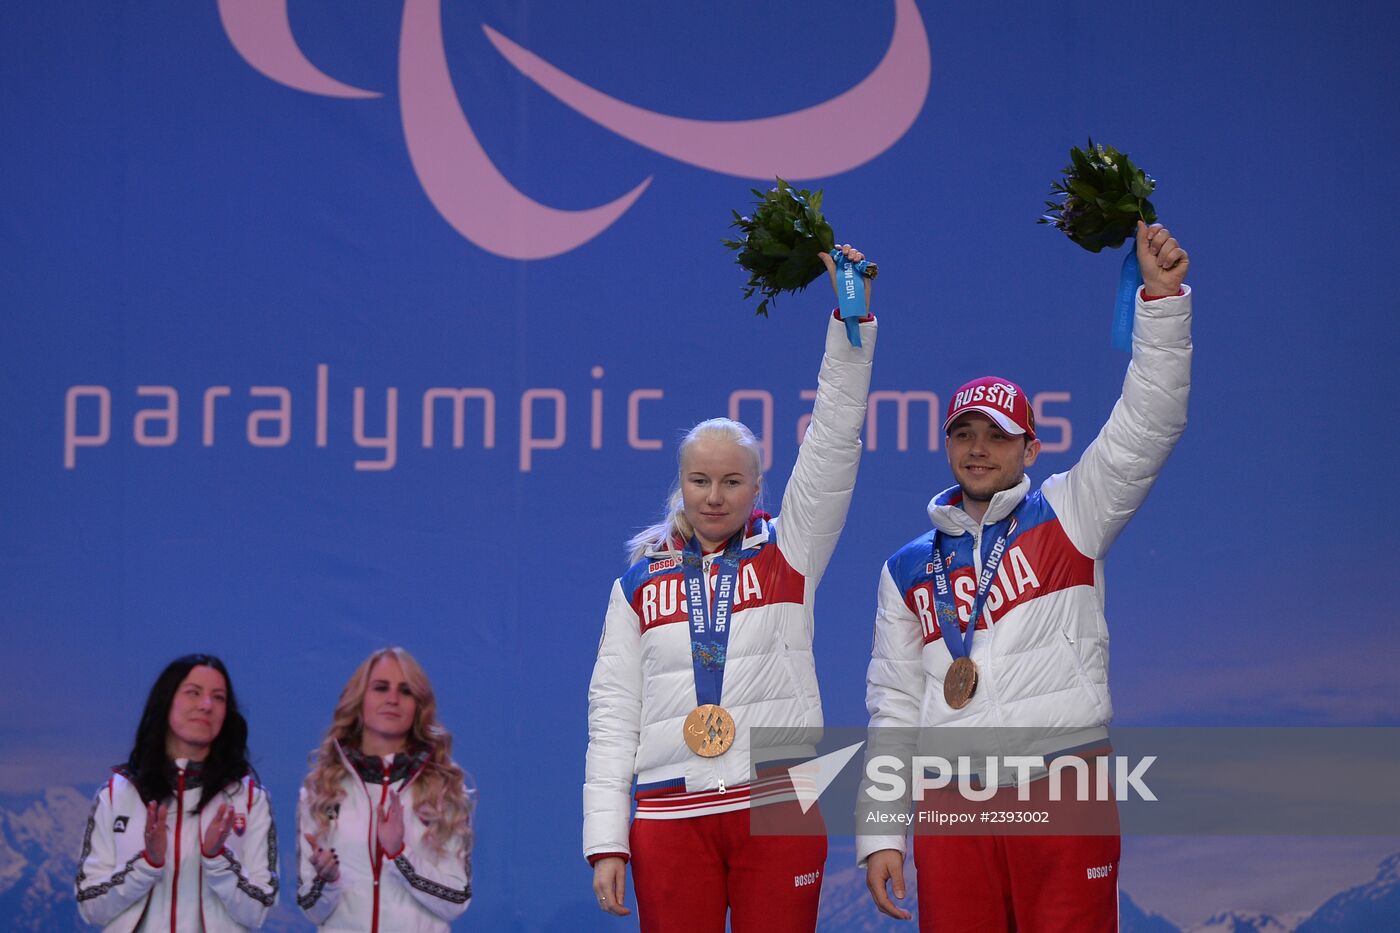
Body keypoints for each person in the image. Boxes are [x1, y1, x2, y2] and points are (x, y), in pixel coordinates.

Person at [861, 221, 1191, 930]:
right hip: (952, 805)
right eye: (963, 432)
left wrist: (1161, 304)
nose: (978, 448)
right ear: (946, 441)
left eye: (997, 435)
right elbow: (893, 707)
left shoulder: (1073, 511)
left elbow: (1147, 425)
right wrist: (882, 831)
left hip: (1063, 785)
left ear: (1030, 446)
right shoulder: (906, 569)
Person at [584, 246, 878, 932]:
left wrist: (849, 327)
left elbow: (834, 440)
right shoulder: (637, 582)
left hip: (779, 803)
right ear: (680, 482)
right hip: (668, 812)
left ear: (757, 485)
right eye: (700, 480)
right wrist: (606, 838)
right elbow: (612, 715)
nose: (714, 496)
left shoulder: (789, 551)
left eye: (732, 481)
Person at [75, 653, 278, 931]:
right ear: (166, 700)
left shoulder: (250, 799)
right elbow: (90, 906)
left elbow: (258, 911)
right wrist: (148, 863)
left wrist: (217, 857)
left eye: (218, 697)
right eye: (193, 692)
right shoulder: (116, 794)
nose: (206, 705)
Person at [296, 647, 473, 931]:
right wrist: (326, 882)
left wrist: (398, 854)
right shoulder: (322, 789)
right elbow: (310, 908)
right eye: (381, 688)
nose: (393, 699)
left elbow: (456, 899)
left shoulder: (444, 788)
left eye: (405, 691)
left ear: (418, 706)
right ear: (360, 700)